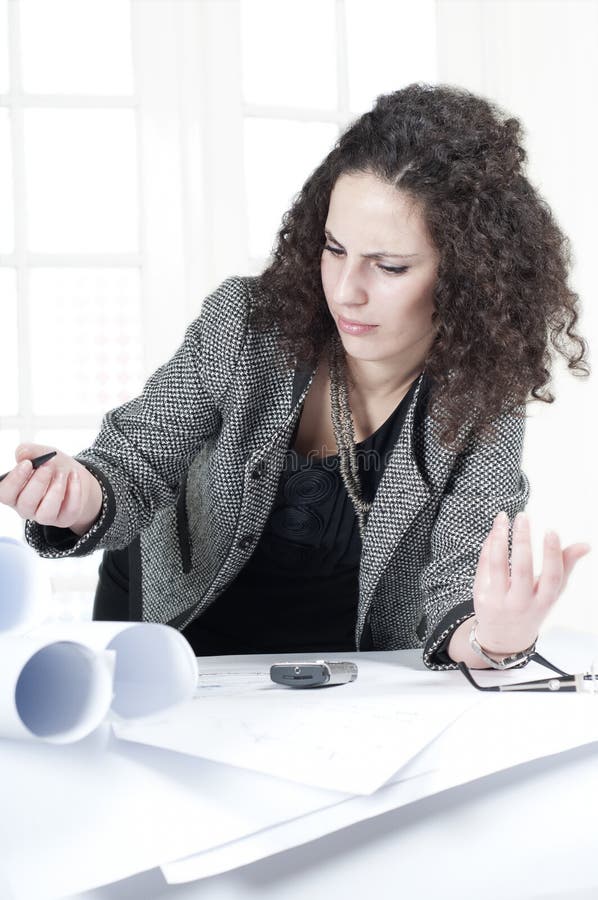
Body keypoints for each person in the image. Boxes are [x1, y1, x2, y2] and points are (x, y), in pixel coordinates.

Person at [0, 83, 591, 670]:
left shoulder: (479, 396)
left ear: (466, 277)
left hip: (334, 691)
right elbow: (134, 462)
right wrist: (78, 496)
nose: (347, 290)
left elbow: (460, 588)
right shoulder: (247, 324)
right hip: (171, 647)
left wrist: (496, 637)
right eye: (335, 249)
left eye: (389, 266)